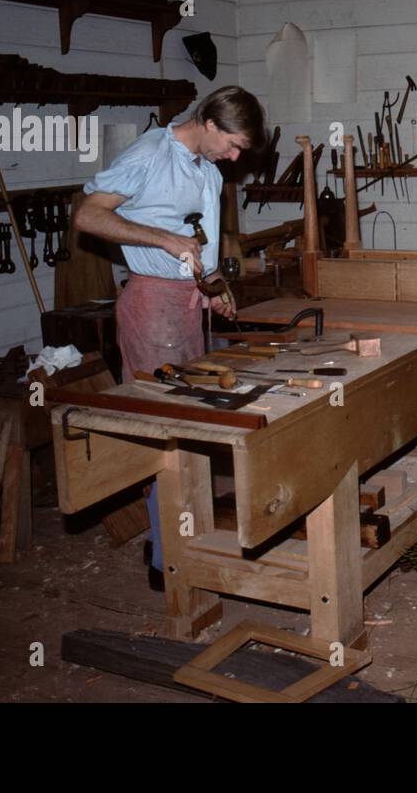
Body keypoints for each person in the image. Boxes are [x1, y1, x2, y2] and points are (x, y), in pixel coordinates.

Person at [74, 85, 265, 586]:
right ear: (209, 123)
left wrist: (214, 286)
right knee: (167, 429)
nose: (235, 156)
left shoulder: (206, 166)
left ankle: (175, 539)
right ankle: (167, 560)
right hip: (151, 304)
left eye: (240, 149)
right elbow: (88, 215)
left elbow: (196, 238)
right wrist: (161, 238)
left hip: (186, 302)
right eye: (233, 144)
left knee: (193, 424)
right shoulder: (150, 154)